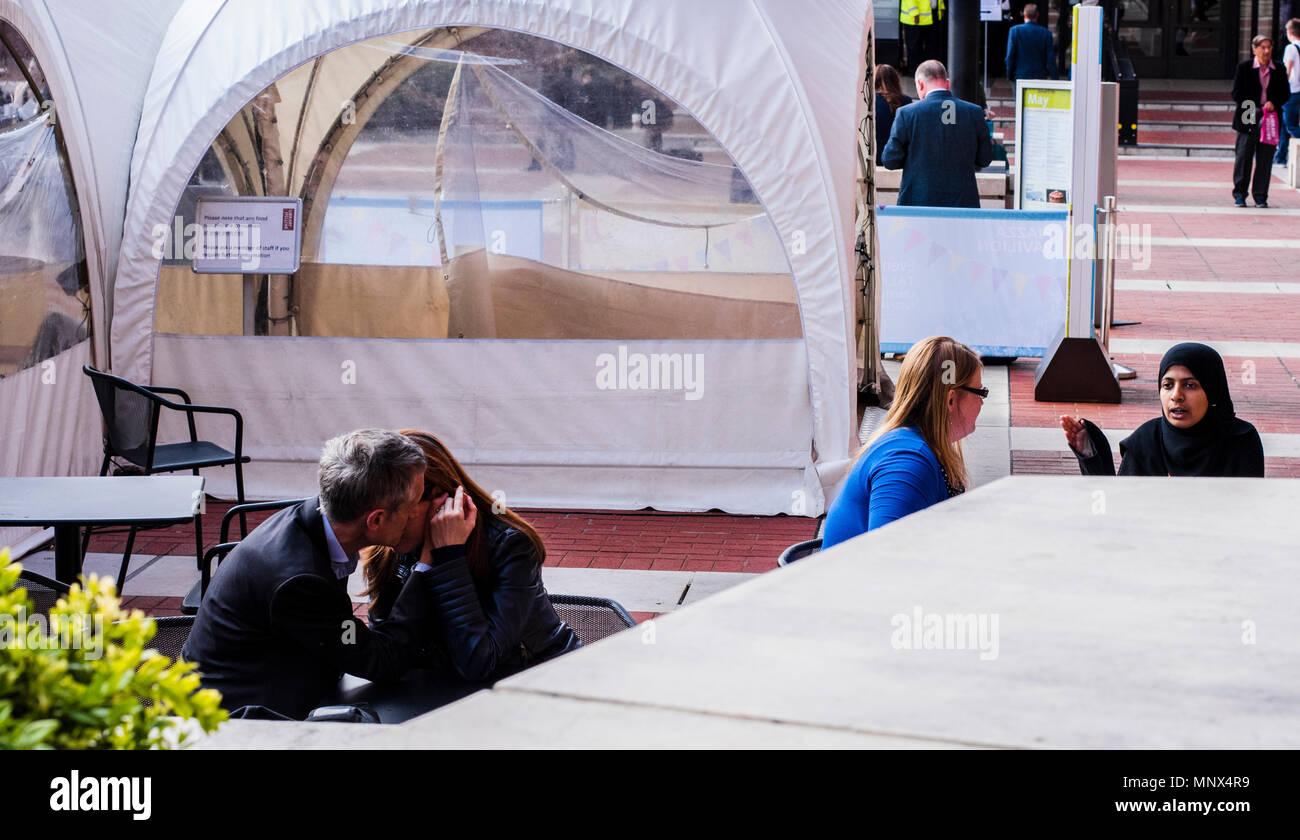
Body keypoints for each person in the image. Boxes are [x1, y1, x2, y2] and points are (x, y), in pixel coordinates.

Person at [182, 429, 471, 719]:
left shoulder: (317, 522)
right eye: (413, 506)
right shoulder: (299, 582)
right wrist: (430, 560)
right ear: (377, 519)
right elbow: (383, 661)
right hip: (242, 724)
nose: (420, 514)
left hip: (282, 681)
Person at [363, 430, 581, 683]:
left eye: (401, 507)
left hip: (540, 682)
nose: (387, 522)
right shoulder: (390, 544)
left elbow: (479, 663)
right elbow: (385, 650)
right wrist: (425, 565)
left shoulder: (508, 545)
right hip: (443, 692)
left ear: (440, 498)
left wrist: (448, 558)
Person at [822, 336, 984, 548]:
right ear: (950, 400)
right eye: (980, 392)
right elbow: (890, 560)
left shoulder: (913, 444)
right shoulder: (907, 462)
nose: (982, 401)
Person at [1059, 343, 1265, 477]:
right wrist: (1090, 456)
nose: (1176, 395)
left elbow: (1249, 512)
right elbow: (1119, 508)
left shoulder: (1240, 442)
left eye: (1190, 385)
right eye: (1168, 385)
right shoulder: (1146, 442)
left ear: (1212, 390)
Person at [881, 61, 995, 208]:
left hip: (917, 204)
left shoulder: (907, 114)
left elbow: (890, 160)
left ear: (920, 84)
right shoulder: (974, 112)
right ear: (947, 84)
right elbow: (985, 159)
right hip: (963, 205)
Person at [1231, 35, 1289, 208]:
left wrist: (1273, 102)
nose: (1266, 51)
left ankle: (1261, 195)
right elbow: (1237, 93)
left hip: (1270, 117)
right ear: (1254, 49)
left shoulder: (1278, 68)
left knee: (1265, 158)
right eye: (1262, 47)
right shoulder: (1244, 68)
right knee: (1244, 156)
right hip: (1248, 113)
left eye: (1269, 47)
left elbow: (1285, 93)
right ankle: (1240, 194)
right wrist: (1254, 106)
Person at [1006, 4, 1057, 84]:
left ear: (1024, 14)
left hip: (1020, 76)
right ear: (1037, 15)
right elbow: (1051, 59)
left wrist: (1009, 74)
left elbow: (1010, 56)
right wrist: (1055, 79)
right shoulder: (1046, 33)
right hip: (1039, 76)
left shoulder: (1015, 31)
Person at [874, 64, 912, 166]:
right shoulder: (906, 101)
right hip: (898, 159)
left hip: (874, 158)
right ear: (895, 80)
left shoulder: (869, 101)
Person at [1276, 19, 1300, 167]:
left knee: (1290, 125)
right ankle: (1281, 156)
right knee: (1285, 125)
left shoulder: (1291, 48)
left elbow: (1287, 70)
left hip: (1291, 91)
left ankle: (1281, 156)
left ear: (1290, 33)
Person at [900, 0, 945, 71]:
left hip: (932, 15)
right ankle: (916, 73)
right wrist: (914, 13)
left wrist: (941, 7)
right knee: (914, 48)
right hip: (915, 19)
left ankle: (929, 71)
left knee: (932, 47)